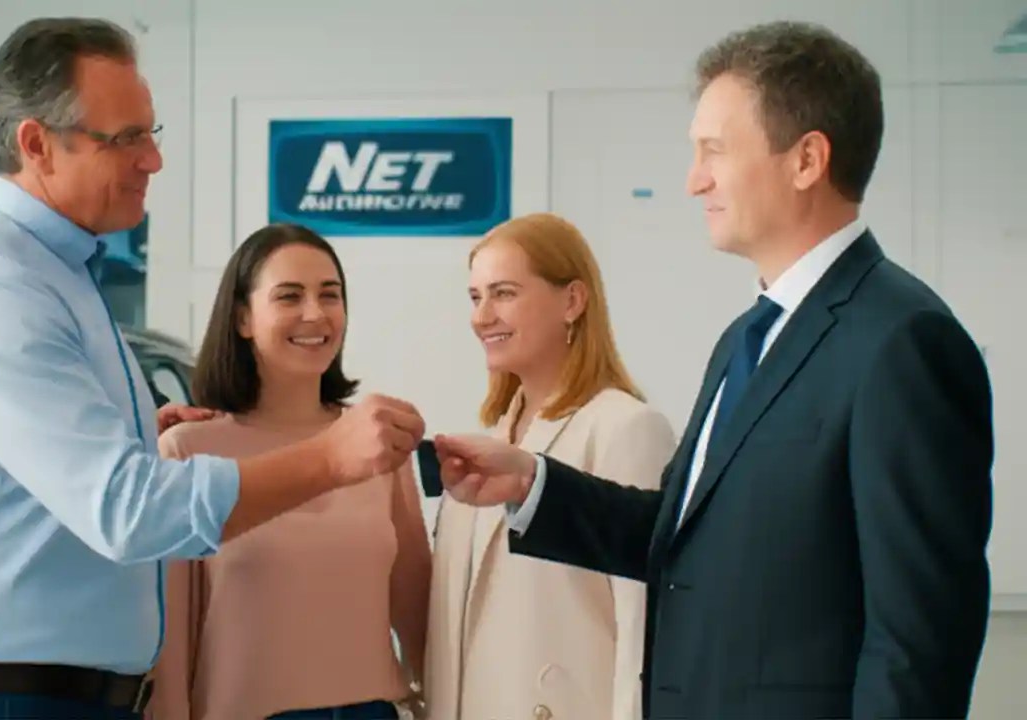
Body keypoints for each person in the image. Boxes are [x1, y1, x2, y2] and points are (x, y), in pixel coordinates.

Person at [432, 21, 994, 720]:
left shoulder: (902, 341)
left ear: (807, 159)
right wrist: (530, 481)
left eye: (714, 151)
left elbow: (919, 640)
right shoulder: (744, 340)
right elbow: (680, 538)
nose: (694, 179)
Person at [0, 18, 423, 720]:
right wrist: (330, 458)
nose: (153, 161)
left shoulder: (57, 276)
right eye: (125, 138)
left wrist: (136, 437)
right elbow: (128, 512)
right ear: (36, 144)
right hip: (3, 703)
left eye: (151, 133)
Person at [145, 223, 431, 720]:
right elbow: (169, 646)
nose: (315, 313)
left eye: (330, 295)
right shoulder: (189, 450)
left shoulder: (377, 441)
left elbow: (419, 611)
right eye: (289, 296)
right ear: (243, 318)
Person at [425, 213, 675, 720]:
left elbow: (642, 632)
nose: (482, 316)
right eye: (475, 297)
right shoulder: (486, 448)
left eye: (504, 293)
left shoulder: (627, 429)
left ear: (572, 301)